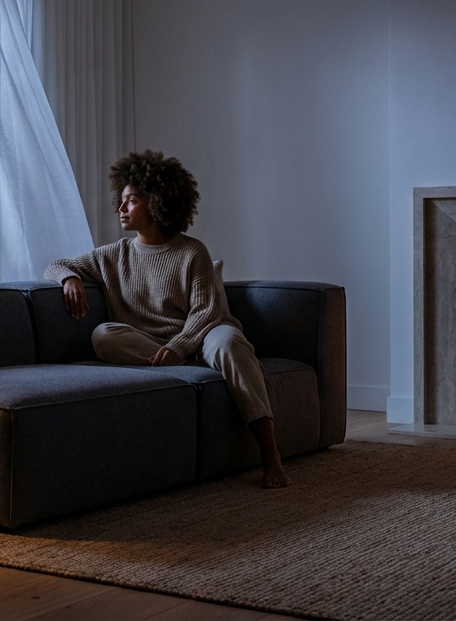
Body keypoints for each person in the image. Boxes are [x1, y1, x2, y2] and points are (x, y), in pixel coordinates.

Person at [44, 150, 289, 488]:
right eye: (122, 200)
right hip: (154, 346)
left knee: (230, 343)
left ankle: (270, 455)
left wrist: (181, 345)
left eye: (131, 201)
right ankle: (188, 364)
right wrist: (68, 279)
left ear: (157, 203)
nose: (121, 208)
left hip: (203, 335)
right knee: (103, 334)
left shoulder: (192, 251)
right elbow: (55, 264)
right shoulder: (114, 254)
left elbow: (206, 311)